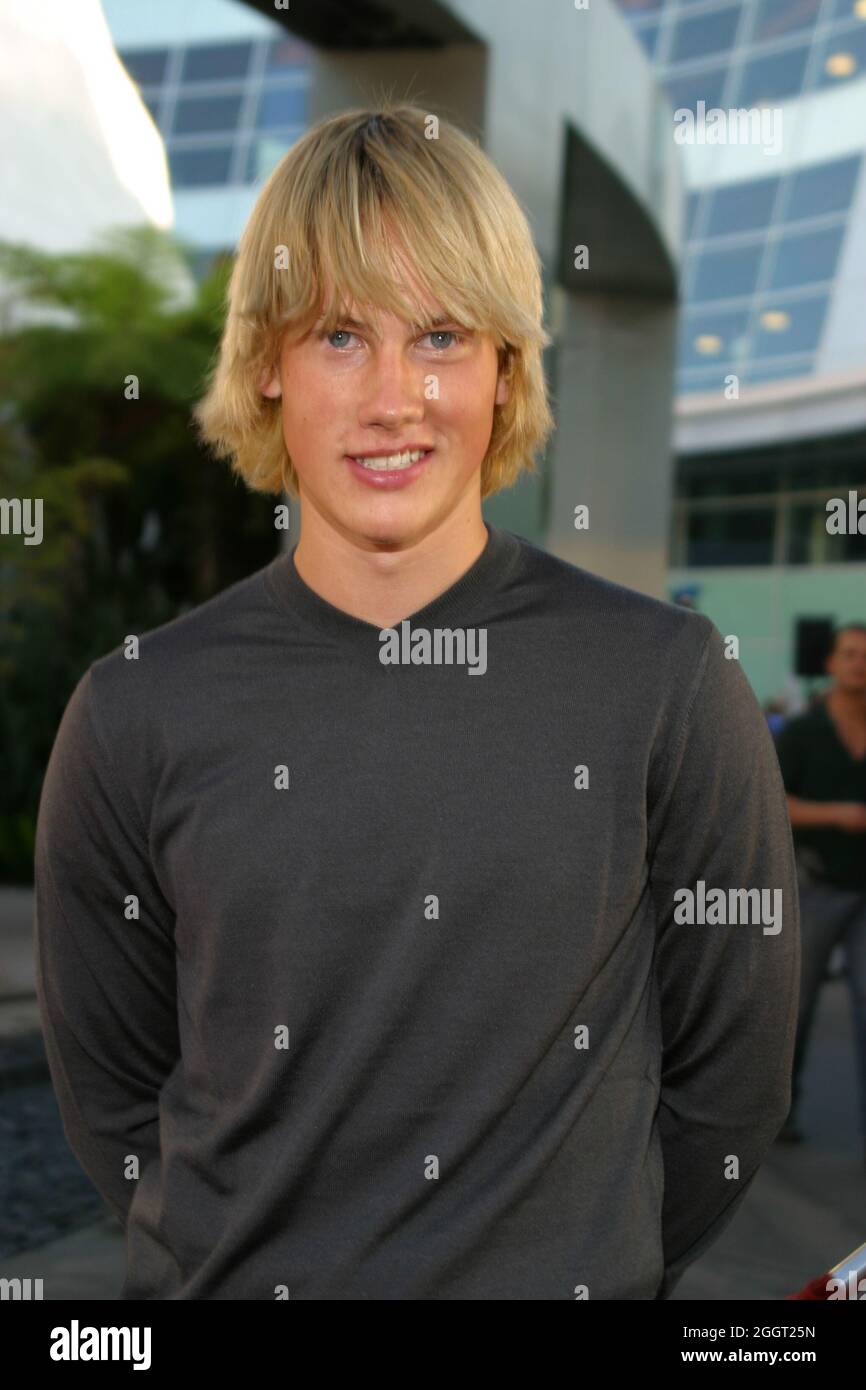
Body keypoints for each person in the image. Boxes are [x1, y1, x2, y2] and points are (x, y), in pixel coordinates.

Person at [34, 103, 800, 1301]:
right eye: (339, 335)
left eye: (439, 335)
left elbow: (730, 1090)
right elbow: (115, 1096)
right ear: (268, 370)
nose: (394, 396)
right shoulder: (136, 708)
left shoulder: (664, 683)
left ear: (503, 371)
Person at [773, 624, 866, 1156]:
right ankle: (777, 1115)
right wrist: (838, 814)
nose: (858, 664)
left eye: (865, 656)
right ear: (831, 663)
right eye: (849, 655)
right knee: (796, 1006)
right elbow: (773, 800)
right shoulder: (805, 731)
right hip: (815, 888)